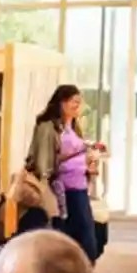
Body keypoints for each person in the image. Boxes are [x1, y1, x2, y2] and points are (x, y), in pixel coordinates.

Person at [27, 85, 98, 262]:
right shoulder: (48, 127)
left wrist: (87, 164)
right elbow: (47, 160)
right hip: (63, 188)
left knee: (83, 234)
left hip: (79, 185)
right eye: (74, 101)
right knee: (78, 234)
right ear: (63, 102)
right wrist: (75, 154)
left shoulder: (73, 126)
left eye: (79, 102)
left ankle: (77, 269)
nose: (77, 106)